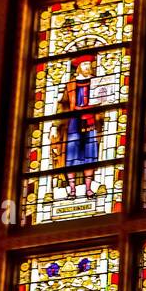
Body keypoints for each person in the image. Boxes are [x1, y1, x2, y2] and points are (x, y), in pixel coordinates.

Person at [51, 54, 99, 199]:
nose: (87, 67)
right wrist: (55, 125)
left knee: (89, 156)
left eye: (88, 64)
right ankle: (72, 190)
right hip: (73, 122)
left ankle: (89, 189)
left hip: (90, 121)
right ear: (78, 68)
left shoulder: (96, 82)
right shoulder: (71, 85)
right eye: (84, 65)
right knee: (71, 155)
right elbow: (63, 106)